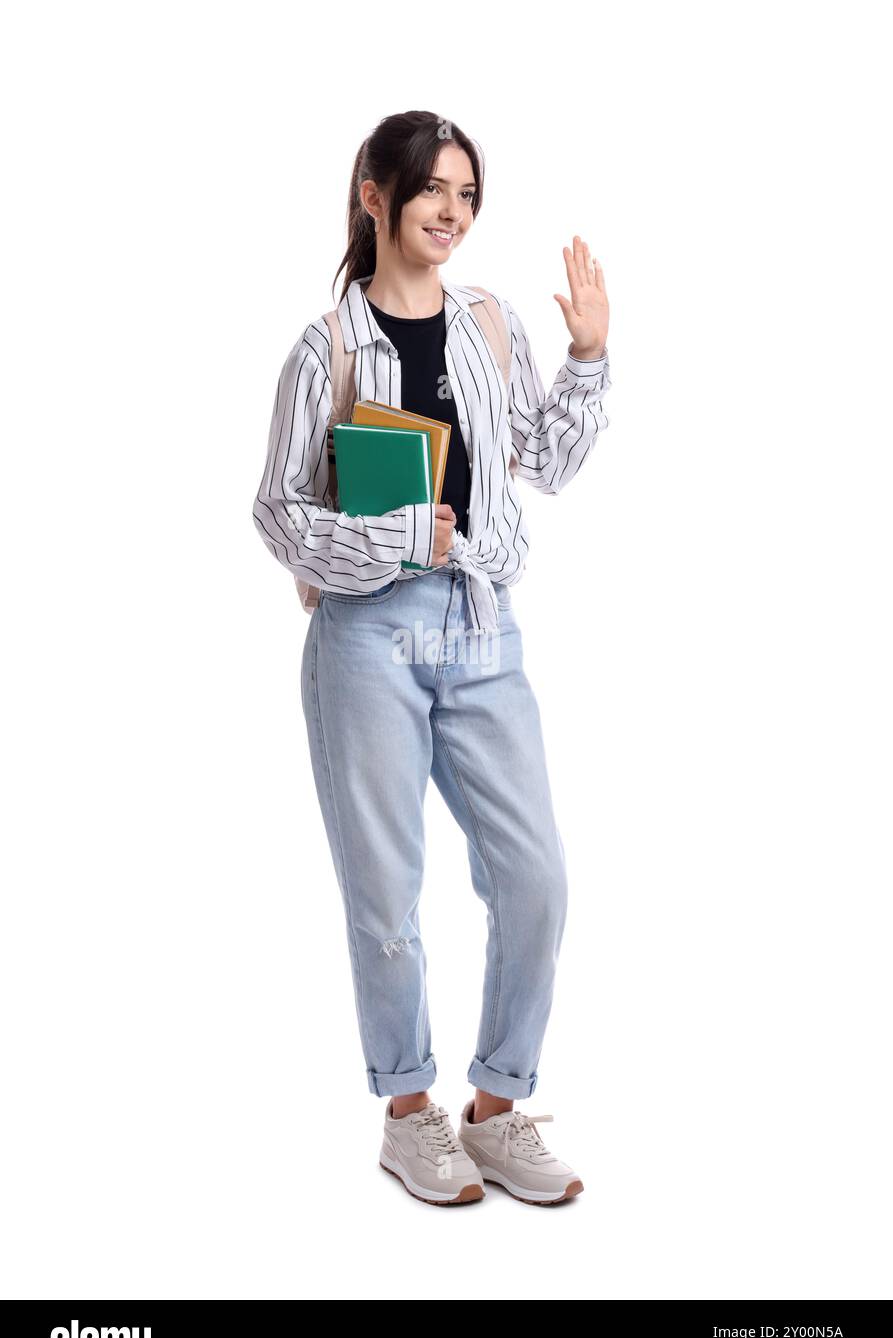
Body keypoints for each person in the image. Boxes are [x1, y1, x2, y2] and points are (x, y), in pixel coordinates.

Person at [253, 110, 611, 1206]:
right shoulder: (325, 347)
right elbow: (277, 512)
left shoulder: (493, 324)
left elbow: (544, 460)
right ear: (374, 193)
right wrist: (400, 536)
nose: (451, 212)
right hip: (364, 636)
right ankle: (409, 1115)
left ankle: (494, 1112)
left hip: (479, 626)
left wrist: (589, 357)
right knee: (386, 896)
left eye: (467, 193)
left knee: (535, 876)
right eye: (432, 191)